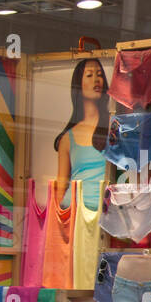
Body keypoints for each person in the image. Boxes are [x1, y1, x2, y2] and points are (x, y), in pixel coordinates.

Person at [54, 57, 111, 210]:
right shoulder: (68, 138)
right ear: (79, 84)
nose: (97, 80)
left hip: (105, 216)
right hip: (74, 214)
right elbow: (61, 188)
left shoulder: (113, 127)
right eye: (89, 75)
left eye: (99, 74)